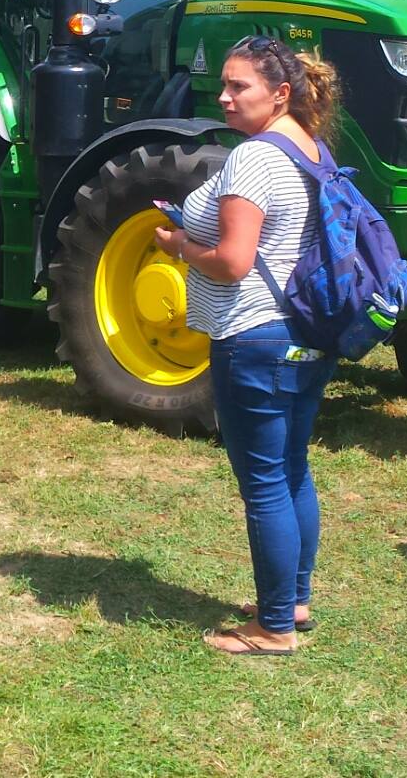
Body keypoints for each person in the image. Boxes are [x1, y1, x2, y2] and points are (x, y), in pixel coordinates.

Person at [153, 34, 339, 657]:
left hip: (252, 336)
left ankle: (274, 628)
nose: (225, 97)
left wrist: (181, 247)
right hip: (307, 331)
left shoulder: (256, 158)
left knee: (263, 482)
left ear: (280, 92)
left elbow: (232, 262)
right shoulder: (311, 147)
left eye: (240, 87)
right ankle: (295, 599)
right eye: (224, 85)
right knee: (291, 469)